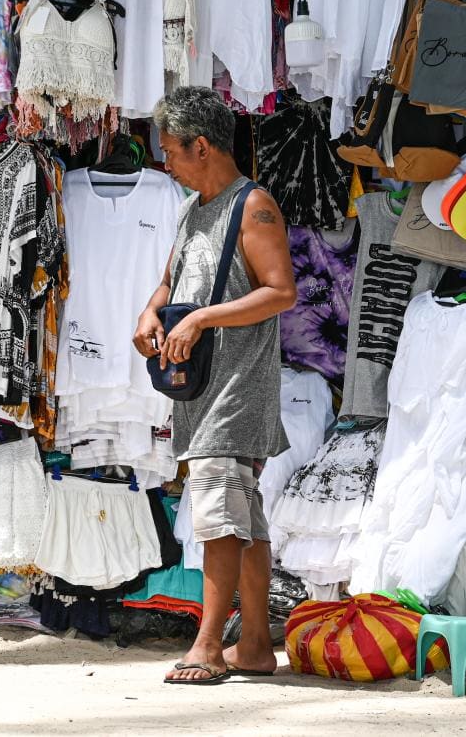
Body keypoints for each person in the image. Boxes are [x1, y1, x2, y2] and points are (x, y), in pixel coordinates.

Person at [136, 86, 297, 685]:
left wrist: (202, 317)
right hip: (202, 390)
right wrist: (153, 313)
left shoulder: (252, 206)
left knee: (217, 513)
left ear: (201, 146)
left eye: (172, 152)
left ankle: (207, 645)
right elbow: (170, 281)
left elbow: (281, 291)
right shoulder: (192, 209)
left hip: (237, 389)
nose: (166, 163)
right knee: (244, 520)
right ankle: (253, 645)